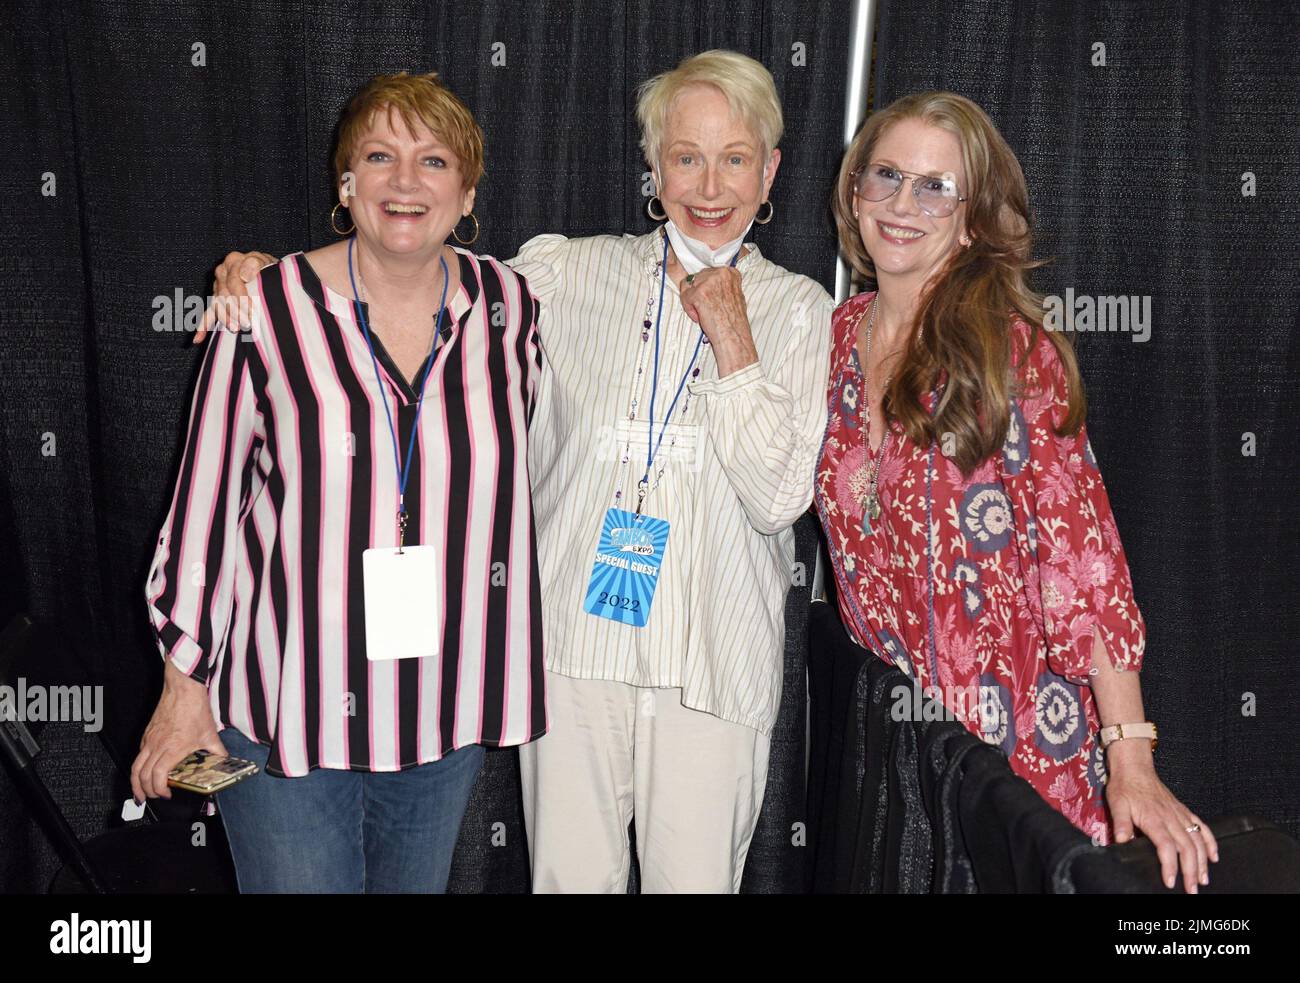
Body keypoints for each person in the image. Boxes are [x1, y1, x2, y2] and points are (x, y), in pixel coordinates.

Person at [199, 50, 834, 893]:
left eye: (735, 158)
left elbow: (779, 497)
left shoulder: (800, 310)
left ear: (771, 171)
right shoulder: (562, 276)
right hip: (572, 651)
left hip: (711, 664)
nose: (709, 184)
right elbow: (407, 269)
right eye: (686, 156)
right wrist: (262, 276)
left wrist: (733, 338)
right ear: (653, 166)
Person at [132, 72, 545, 893]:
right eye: (380, 156)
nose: (404, 181)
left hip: (438, 708)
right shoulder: (265, 306)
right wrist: (183, 686)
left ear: (467, 193)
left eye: (434, 162)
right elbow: (204, 506)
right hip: (283, 706)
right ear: (345, 184)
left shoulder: (512, 307)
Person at [817, 90, 1218, 892]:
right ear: (853, 189)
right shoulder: (830, 339)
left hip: (1023, 763)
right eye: (886, 175)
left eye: (935, 186)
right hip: (907, 761)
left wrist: (1130, 759)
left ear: (971, 220)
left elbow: (1087, 567)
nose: (902, 204)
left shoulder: (1009, 353)